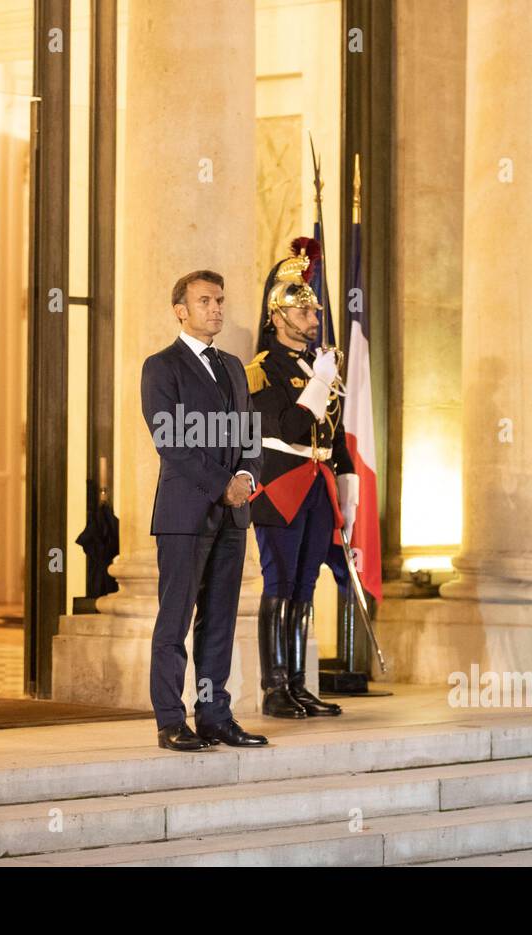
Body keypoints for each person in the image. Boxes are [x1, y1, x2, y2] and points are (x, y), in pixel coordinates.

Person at [140, 269, 266, 751]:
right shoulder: (161, 366)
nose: (216, 308)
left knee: (219, 621)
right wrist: (222, 485)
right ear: (181, 310)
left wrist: (247, 478)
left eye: (220, 300)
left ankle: (214, 714)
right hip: (184, 514)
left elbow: (250, 435)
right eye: (205, 301)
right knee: (174, 621)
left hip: (234, 515)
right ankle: (170, 720)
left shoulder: (234, 366)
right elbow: (170, 440)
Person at [246, 239, 349, 719]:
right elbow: (288, 427)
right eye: (304, 313)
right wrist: (321, 380)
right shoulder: (261, 372)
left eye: (313, 312)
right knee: (280, 582)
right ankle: (273, 688)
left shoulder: (318, 367)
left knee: (307, 586)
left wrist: (343, 492)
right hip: (282, 486)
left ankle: (299, 684)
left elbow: (335, 436)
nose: (313, 320)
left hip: (317, 485)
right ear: (278, 318)